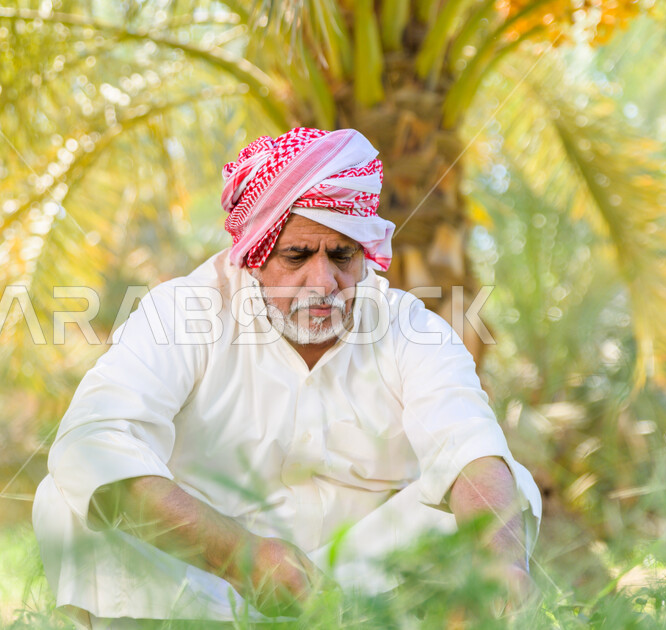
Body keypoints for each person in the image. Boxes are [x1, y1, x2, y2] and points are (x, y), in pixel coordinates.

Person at [32, 127, 542, 628]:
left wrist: (501, 564)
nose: (323, 283)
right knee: (72, 493)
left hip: (359, 592)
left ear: (364, 252)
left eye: (342, 256)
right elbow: (92, 441)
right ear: (255, 255)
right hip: (200, 583)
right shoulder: (182, 312)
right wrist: (239, 557)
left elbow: (469, 446)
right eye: (297, 256)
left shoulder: (410, 328)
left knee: (503, 490)